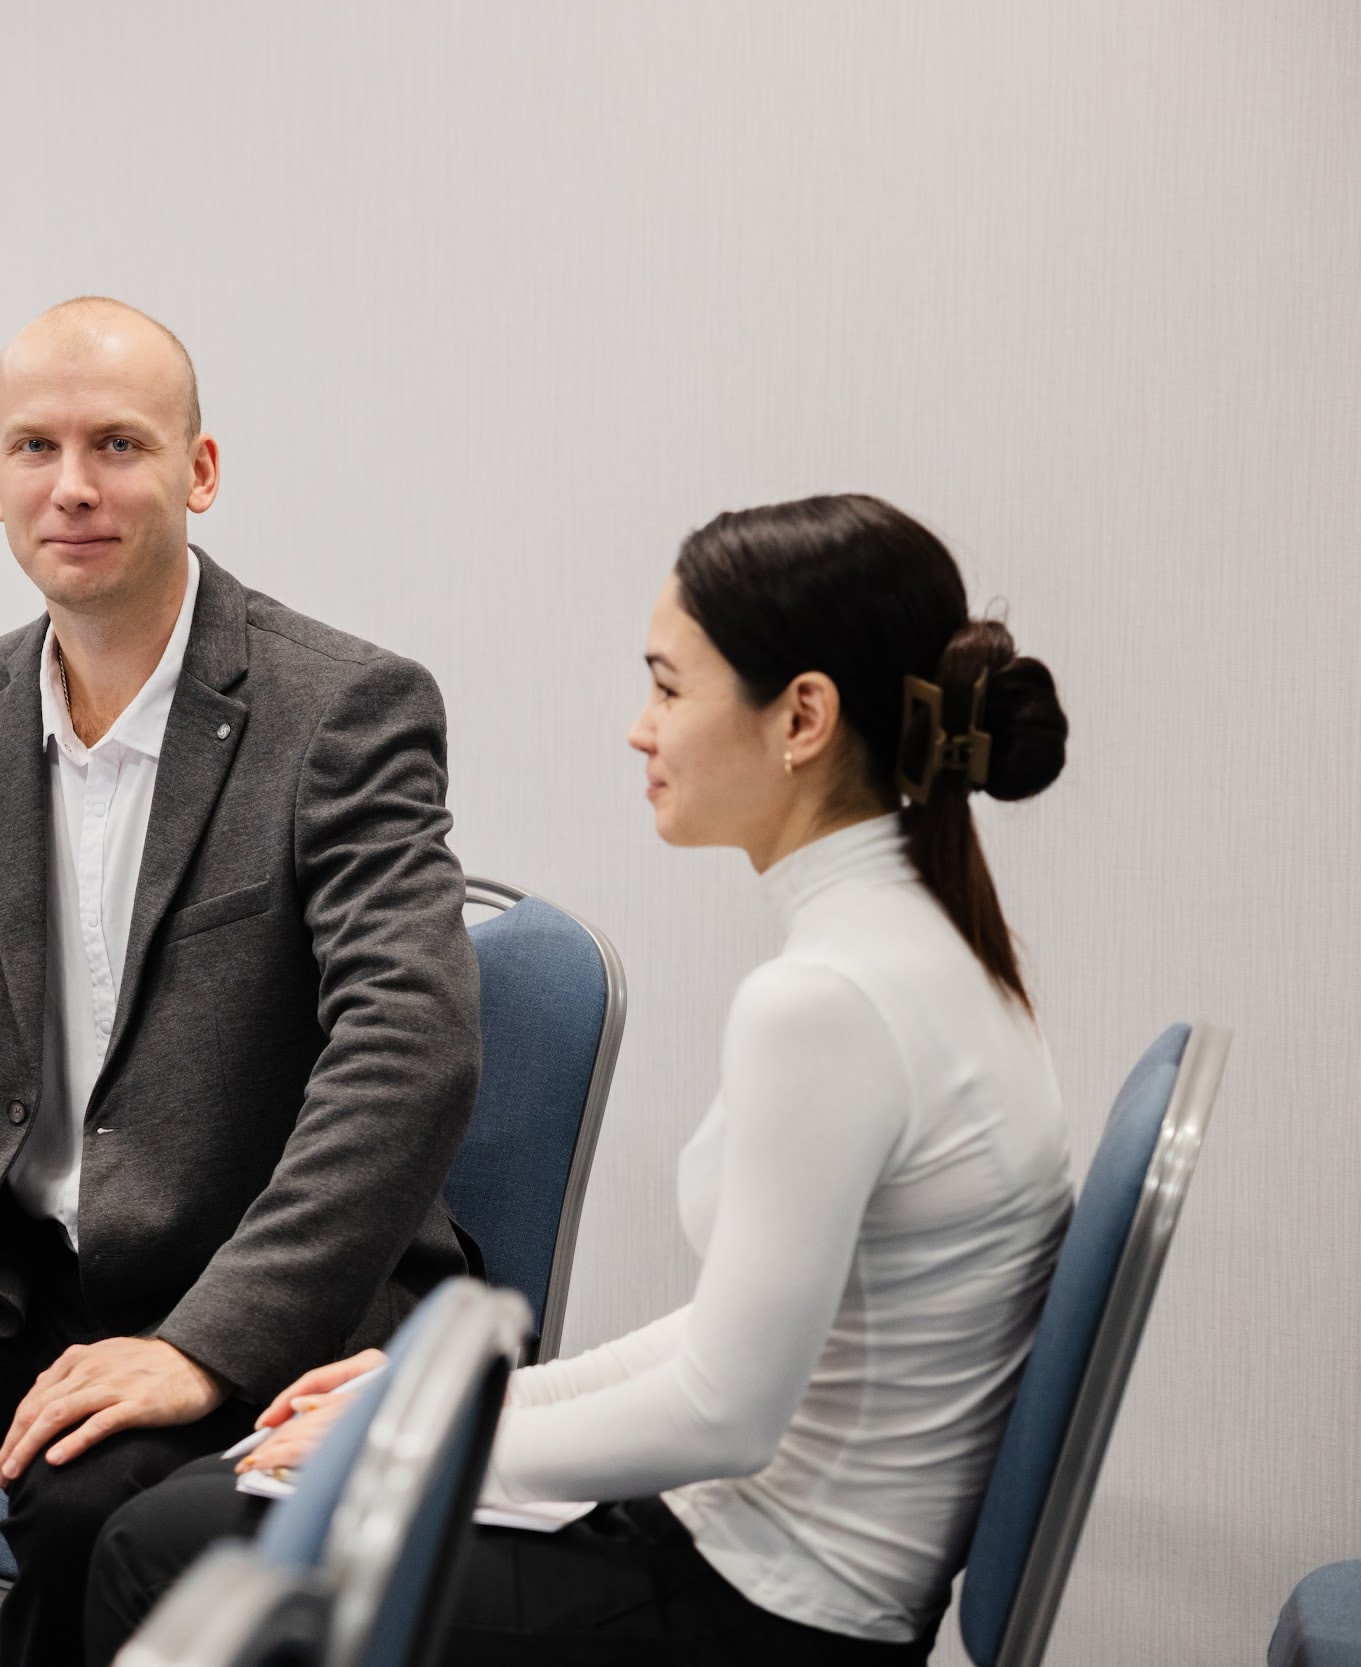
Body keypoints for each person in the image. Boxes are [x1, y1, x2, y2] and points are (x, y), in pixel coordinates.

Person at [85, 493, 1077, 1667]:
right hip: (764, 1577)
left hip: (754, 1614)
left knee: (164, 1537)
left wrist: (413, 1441)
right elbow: (728, 1342)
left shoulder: (828, 1004)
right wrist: (436, 1408)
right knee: (222, 1492)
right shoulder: (930, 954)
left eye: (667, 685)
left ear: (802, 715)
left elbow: (723, 1408)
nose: (638, 729)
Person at [0, 298, 482, 1666]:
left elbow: (408, 1052)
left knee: (83, 1504)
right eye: (35, 446)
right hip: (24, 1287)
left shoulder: (343, 707)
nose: (71, 486)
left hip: (250, 1289)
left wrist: (204, 1344)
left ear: (198, 470)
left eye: (118, 443)